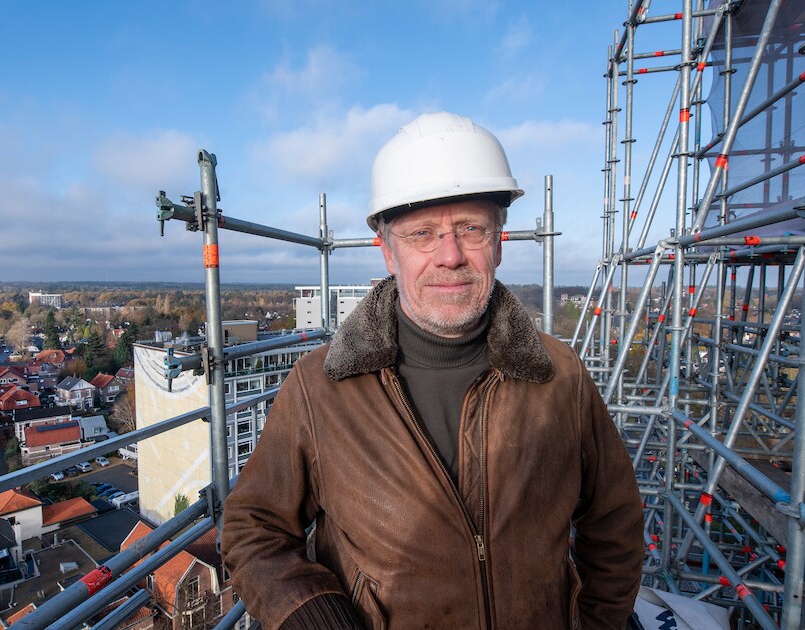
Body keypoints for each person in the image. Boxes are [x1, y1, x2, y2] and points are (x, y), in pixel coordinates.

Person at [222, 112, 643, 629]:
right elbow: (253, 527)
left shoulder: (560, 376)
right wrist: (311, 613)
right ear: (387, 252)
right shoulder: (320, 388)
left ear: (499, 243)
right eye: (422, 234)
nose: (450, 256)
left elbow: (614, 523)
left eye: (471, 229)